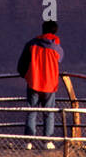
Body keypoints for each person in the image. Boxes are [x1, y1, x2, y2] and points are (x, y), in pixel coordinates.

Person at [16, 20, 64, 150]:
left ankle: (28, 142)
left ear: (42, 29)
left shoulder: (31, 44)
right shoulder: (57, 48)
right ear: (55, 31)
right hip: (50, 85)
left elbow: (21, 65)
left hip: (34, 83)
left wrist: (26, 76)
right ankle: (47, 141)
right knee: (49, 113)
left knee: (31, 111)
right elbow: (60, 59)